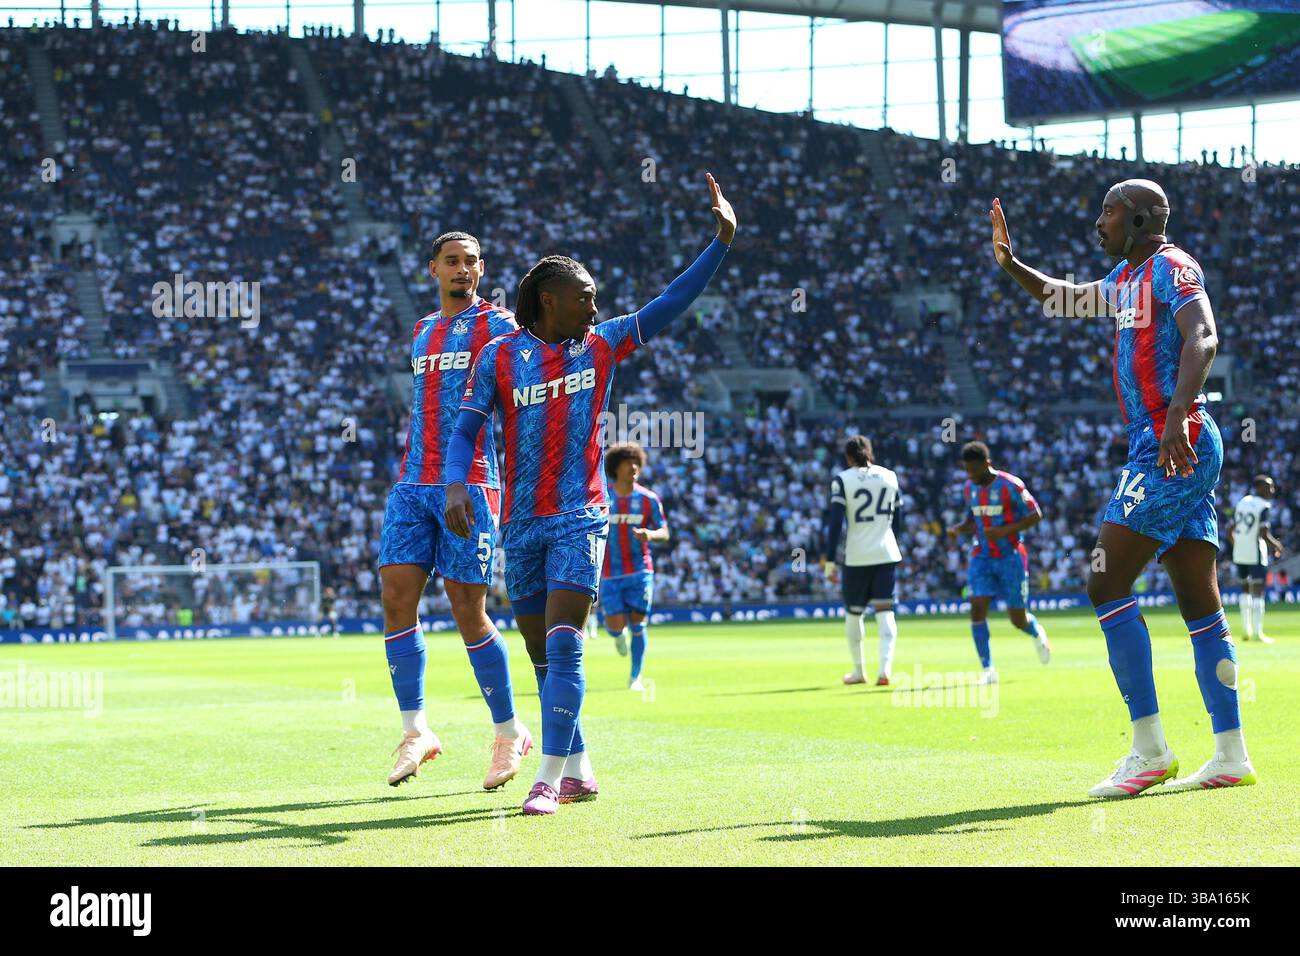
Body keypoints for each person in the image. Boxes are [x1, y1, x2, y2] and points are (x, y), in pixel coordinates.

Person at [444, 173, 736, 815]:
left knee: (566, 640)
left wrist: (720, 241)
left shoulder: (600, 346)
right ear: (550, 300)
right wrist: (458, 483)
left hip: (581, 518)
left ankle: (546, 777)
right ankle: (579, 768)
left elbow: (668, 303)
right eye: (586, 297)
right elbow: (466, 425)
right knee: (540, 654)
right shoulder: (497, 356)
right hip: (520, 524)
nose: (596, 308)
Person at [989, 181, 1256, 795]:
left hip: (1171, 436)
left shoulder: (1171, 267)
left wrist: (1174, 418)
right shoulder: (1126, 277)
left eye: (1107, 211)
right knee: (1198, 599)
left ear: (1138, 219)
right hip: (1169, 438)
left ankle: (1149, 749)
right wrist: (1010, 265)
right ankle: (1230, 751)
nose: (1098, 221)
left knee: (1104, 579)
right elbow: (1067, 299)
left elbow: (1203, 336)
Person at [376, 231, 531, 790]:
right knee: (396, 600)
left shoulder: (499, 325)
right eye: (452, 262)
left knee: (468, 609)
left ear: (481, 269)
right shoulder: (421, 331)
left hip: (470, 483)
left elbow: (524, 382)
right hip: (412, 482)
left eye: (471, 262)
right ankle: (416, 730)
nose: (462, 269)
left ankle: (509, 731)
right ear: (432, 270)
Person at [944, 441, 1051, 684]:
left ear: (987, 464)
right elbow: (974, 520)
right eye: (967, 471)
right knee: (977, 608)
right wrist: (958, 529)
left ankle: (1035, 632)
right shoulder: (969, 488)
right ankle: (988, 669)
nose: (971, 475)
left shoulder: (1011, 485)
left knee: (1017, 619)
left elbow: (1036, 514)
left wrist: (1003, 532)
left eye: (974, 470)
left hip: (1011, 556)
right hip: (982, 557)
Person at [821, 436, 902, 686]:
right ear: (870, 452)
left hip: (856, 556)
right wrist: (892, 543)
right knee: (885, 611)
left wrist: (830, 561)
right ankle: (885, 671)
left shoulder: (842, 480)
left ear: (848, 457)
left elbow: (835, 523)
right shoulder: (890, 477)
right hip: (886, 552)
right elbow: (898, 520)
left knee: (854, 613)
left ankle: (859, 671)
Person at [600, 443, 669, 691]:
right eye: (627, 463)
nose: (633, 467)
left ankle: (635, 677)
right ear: (615, 468)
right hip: (609, 573)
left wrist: (650, 535)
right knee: (616, 626)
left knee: (639, 624)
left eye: (636, 462)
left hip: (640, 571)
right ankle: (618, 636)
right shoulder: (603, 497)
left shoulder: (649, 499)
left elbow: (664, 532)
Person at [1228, 475, 1283, 643]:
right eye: (1269, 487)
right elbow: (1264, 534)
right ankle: (1258, 633)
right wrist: (1277, 546)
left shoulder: (1243, 502)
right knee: (1258, 590)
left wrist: (1236, 545)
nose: (1272, 490)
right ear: (1259, 487)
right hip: (1255, 553)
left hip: (1239, 552)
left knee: (1245, 590)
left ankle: (1246, 630)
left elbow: (1230, 530)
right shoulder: (1263, 506)